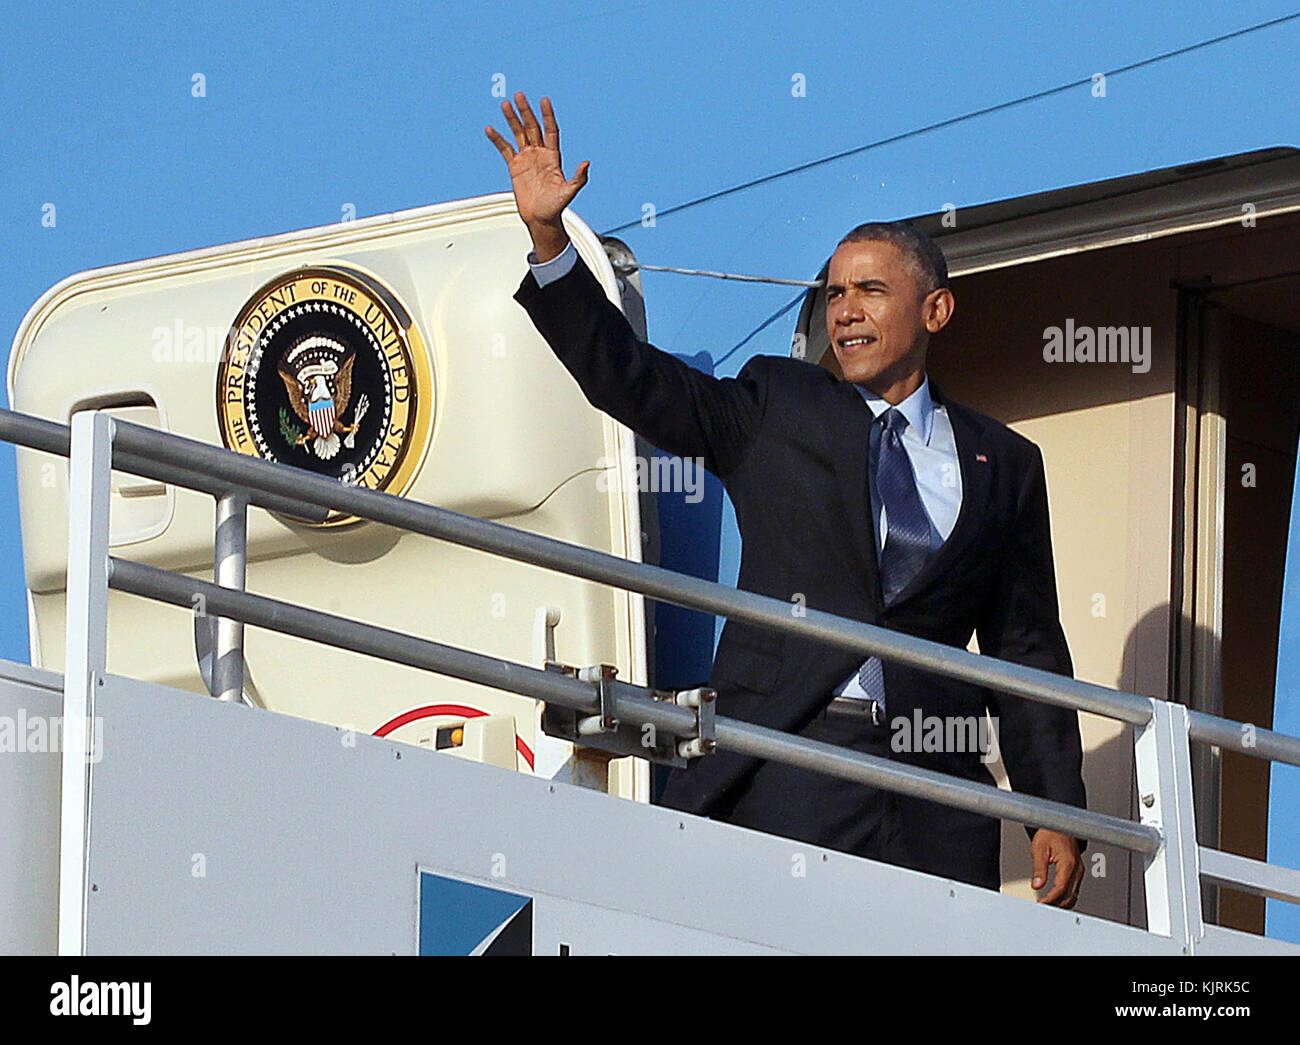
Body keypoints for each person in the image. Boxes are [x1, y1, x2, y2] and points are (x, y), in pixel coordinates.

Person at [486, 92, 1087, 906]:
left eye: (870, 291)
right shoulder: (780, 404)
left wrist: (1054, 810)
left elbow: (1026, 651)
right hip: (790, 763)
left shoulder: (1004, 461)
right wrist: (551, 243)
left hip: (938, 792)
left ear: (935, 309)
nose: (845, 311)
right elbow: (634, 380)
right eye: (834, 294)